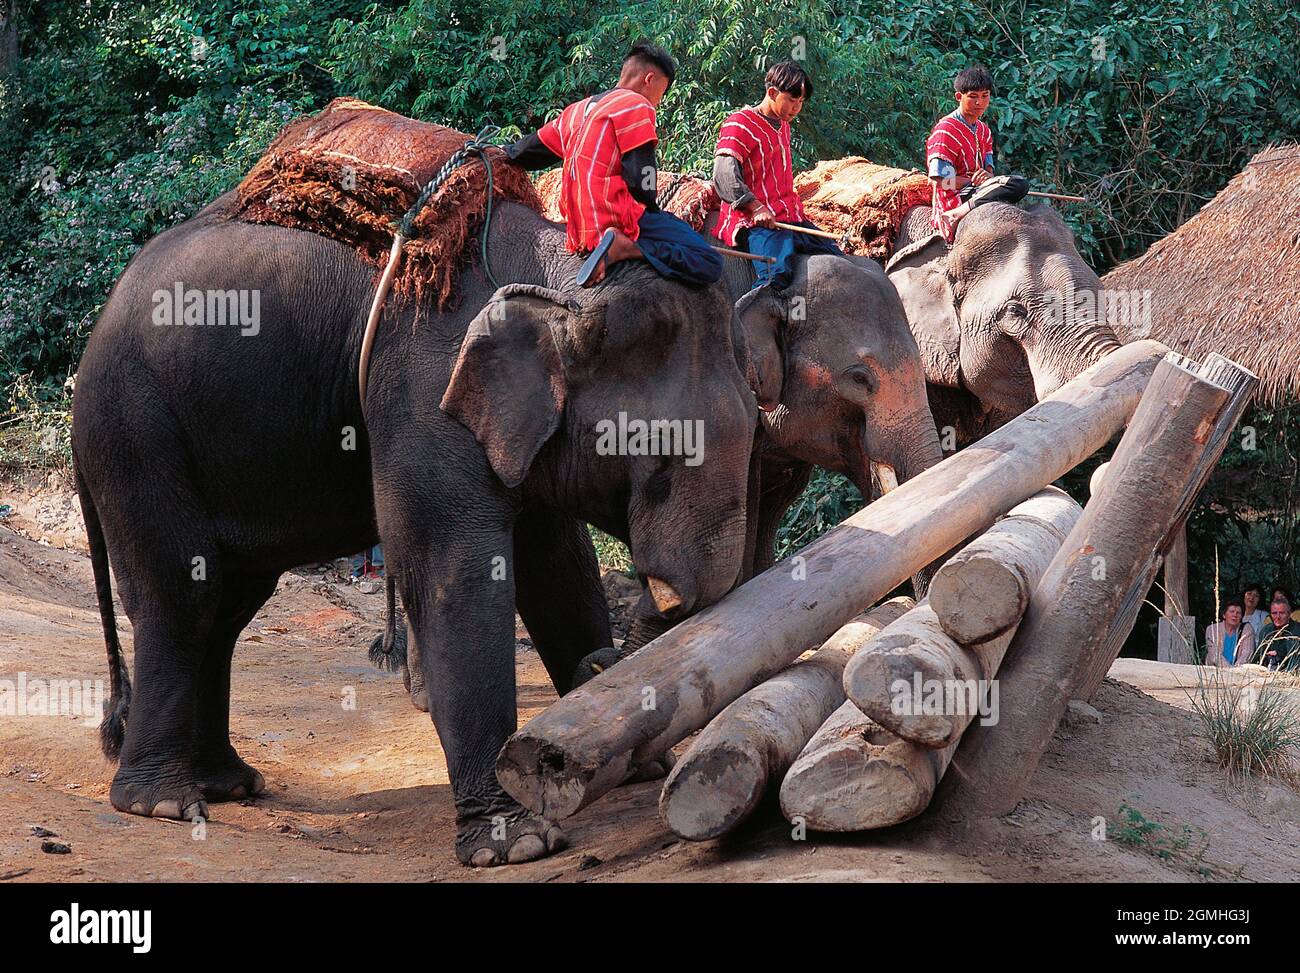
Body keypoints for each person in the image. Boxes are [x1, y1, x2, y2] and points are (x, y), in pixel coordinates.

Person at [505, 41, 722, 288]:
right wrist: (653, 208)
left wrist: (501, 151)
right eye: (661, 95)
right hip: (615, 218)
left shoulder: (575, 111)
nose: (657, 104)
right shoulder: (636, 104)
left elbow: (528, 151)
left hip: (581, 232)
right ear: (649, 79)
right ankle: (627, 248)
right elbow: (642, 179)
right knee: (709, 260)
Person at [711, 61, 845, 291]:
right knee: (776, 277)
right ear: (772, 92)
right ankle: (749, 323)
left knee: (838, 259)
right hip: (756, 221)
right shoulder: (740, 123)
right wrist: (756, 207)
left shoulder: (783, 125)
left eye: (801, 102)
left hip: (791, 217)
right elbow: (723, 175)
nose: (796, 108)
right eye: (792, 100)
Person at [925, 64, 1028, 241]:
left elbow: (989, 173)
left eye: (985, 96)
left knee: (1020, 185)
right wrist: (972, 182)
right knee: (1017, 184)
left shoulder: (984, 131)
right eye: (973, 97)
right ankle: (956, 213)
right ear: (959, 97)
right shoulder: (945, 131)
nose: (980, 102)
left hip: (980, 190)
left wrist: (987, 178)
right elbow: (941, 183)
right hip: (956, 195)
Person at [1205, 598, 1255, 668]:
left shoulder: (1247, 629)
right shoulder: (1212, 629)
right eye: (1232, 611)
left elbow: (1247, 654)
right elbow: (1214, 655)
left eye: (1238, 613)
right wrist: (1230, 671)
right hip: (1215, 671)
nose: (1235, 615)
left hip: (1238, 672)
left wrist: (1235, 671)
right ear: (1224, 615)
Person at [1255, 597, 1300, 670]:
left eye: (1282, 613)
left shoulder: (1297, 630)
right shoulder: (1266, 630)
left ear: (1289, 614)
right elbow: (1257, 657)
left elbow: (1295, 660)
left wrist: (1278, 653)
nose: (1278, 617)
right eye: (1274, 613)